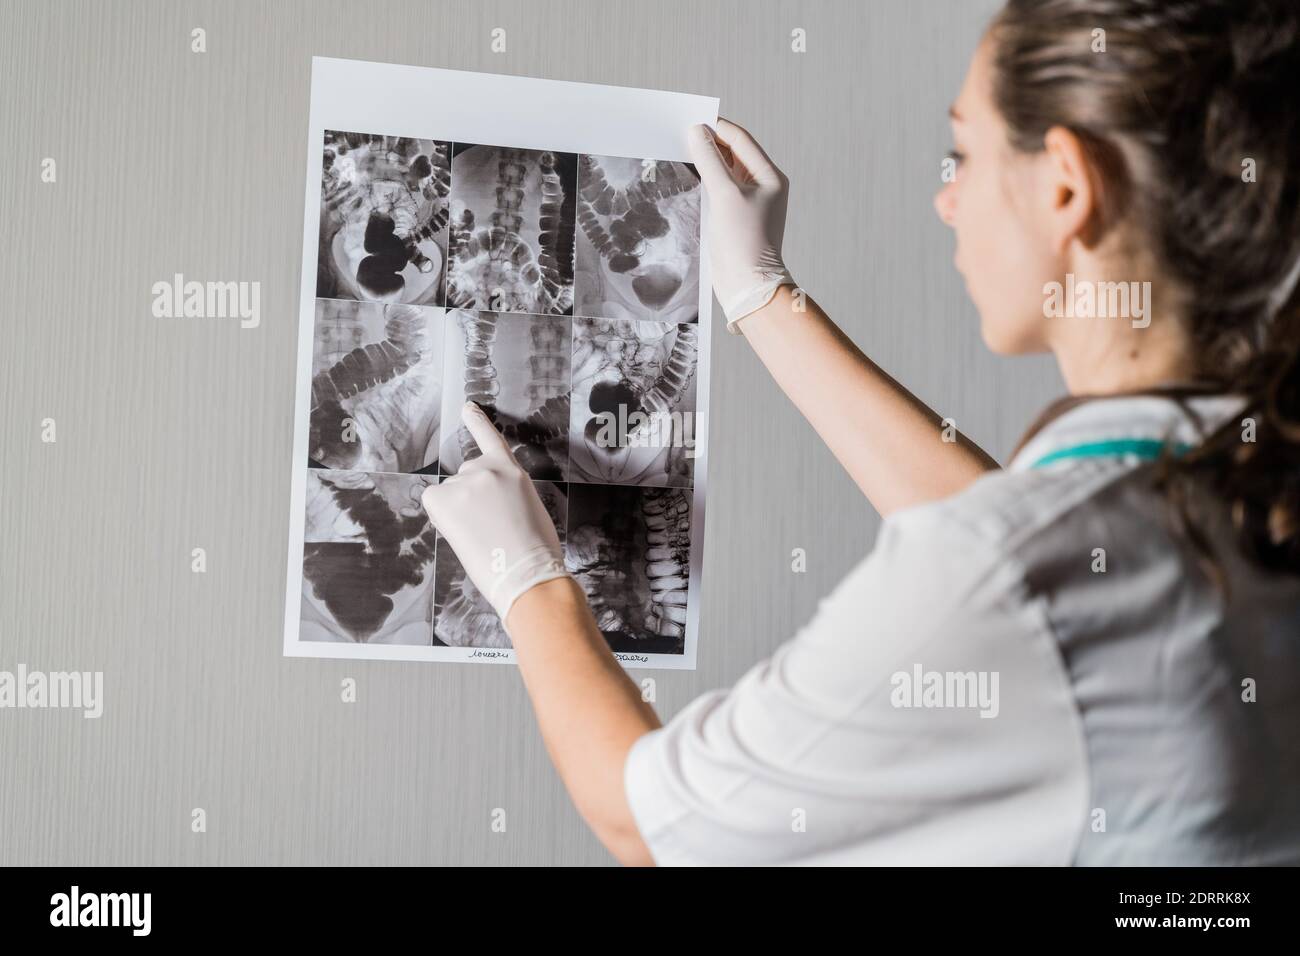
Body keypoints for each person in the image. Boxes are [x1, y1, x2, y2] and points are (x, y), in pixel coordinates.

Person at [421, 0, 1300, 865]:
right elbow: (1034, 550)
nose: (947, 199)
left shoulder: (1024, 570)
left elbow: (648, 823)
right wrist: (764, 297)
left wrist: (528, 579)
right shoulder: (1246, 471)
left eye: (963, 153)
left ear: (1066, 184)